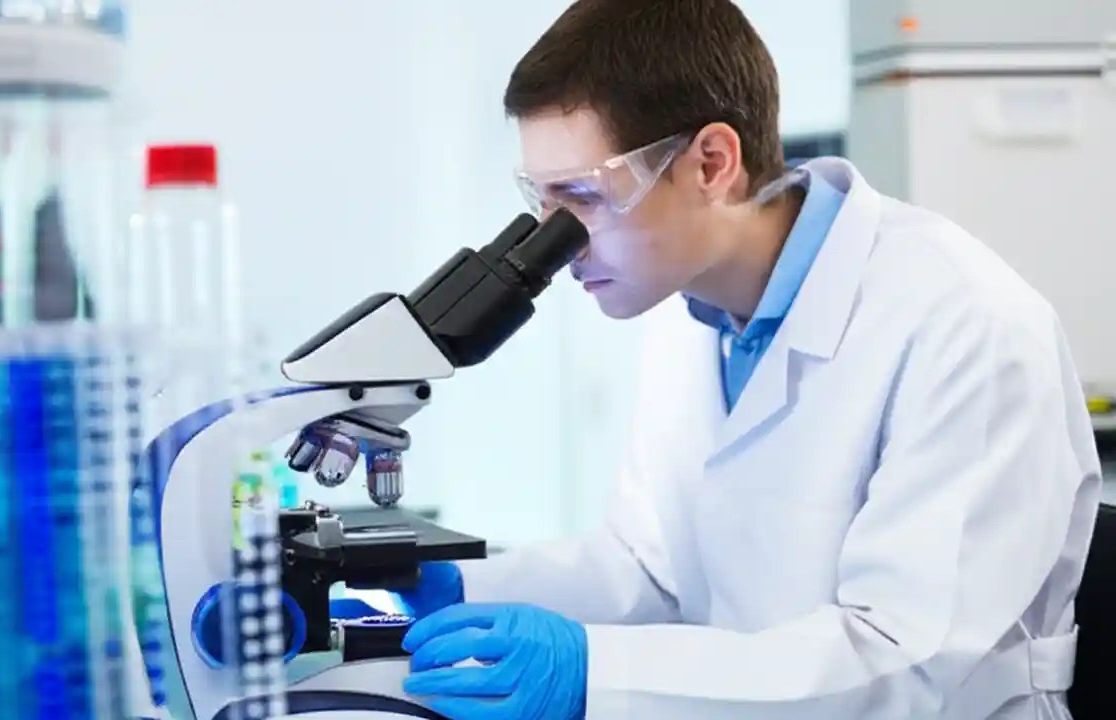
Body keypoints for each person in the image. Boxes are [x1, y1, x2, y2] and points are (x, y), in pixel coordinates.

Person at [369, 1, 1103, 717]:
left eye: (583, 198)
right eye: (542, 202)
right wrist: (458, 587)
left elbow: (907, 664)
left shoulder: (965, 323)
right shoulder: (690, 315)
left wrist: (592, 672)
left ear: (712, 163)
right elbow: (652, 571)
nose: (555, 248)